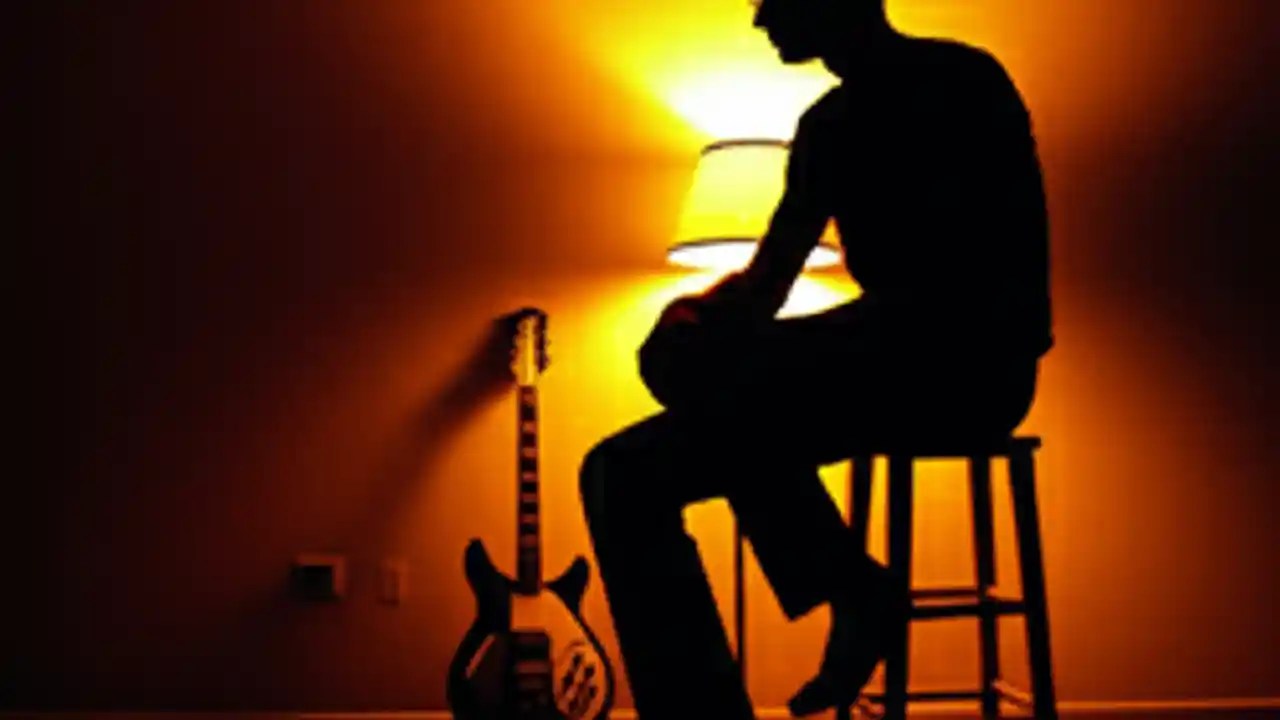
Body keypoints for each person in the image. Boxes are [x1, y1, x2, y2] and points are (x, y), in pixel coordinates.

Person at [578, 0, 1053, 716]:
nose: (760, 20)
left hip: (970, 371)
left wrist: (722, 335)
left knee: (694, 396)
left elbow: (983, 277)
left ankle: (853, 589)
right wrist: (697, 316)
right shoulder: (832, 123)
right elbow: (767, 286)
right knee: (620, 470)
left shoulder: (959, 83)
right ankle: (846, 589)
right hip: (888, 360)